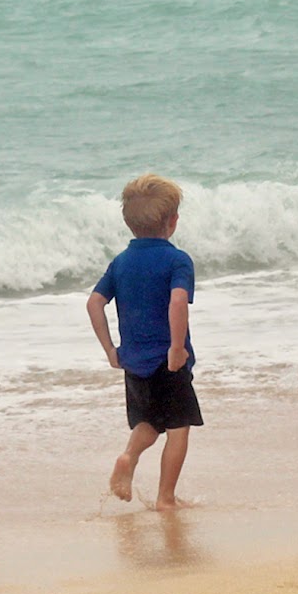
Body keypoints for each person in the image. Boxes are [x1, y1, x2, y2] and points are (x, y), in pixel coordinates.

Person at [87, 174, 202, 511]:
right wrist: (177, 348)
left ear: (129, 222)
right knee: (178, 428)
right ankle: (166, 498)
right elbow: (177, 301)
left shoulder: (121, 262)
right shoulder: (177, 260)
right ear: (173, 221)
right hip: (169, 361)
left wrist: (110, 350)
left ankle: (128, 457)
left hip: (134, 361)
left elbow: (94, 303)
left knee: (148, 423)